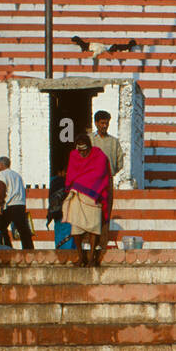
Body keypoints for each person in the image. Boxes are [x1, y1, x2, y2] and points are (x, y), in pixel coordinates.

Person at [62, 134, 112, 267]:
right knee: (76, 229)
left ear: (90, 147)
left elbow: (100, 174)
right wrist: (78, 184)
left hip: (93, 197)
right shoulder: (74, 155)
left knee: (93, 228)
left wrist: (82, 182)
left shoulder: (99, 156)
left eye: (85, 150)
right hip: (77, 196)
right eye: (80, 150)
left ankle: (90, 259)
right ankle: (81, 256)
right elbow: (71, 173)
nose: (82, 153)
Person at [90, 110, 125, 254]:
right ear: (96, 123)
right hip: (91, 181)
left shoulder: (114, 142)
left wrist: (109, 173)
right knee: (92, 211)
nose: (104, 126)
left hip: (107, 180)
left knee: (105, 211)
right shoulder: (90, 140)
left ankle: (102, 243)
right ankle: (91, 242)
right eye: (102, 123)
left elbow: (119, 162)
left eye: (106, 123)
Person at [0, 156, 34, 250]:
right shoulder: (17, 175)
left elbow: (1, 190)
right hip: (20, 204)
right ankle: (29, 249)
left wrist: (0, 205)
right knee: (23, 229)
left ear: (2, 164)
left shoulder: (1, 174)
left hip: (9, 205)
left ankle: (7, 247)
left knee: (0, 226)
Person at [45, 167, 74, 250]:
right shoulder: (63, 183)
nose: (66, 174)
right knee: (67, 239)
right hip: (66, 215)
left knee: (60, 238)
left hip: (58, 215)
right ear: (60, 172)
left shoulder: (53, 183)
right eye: (65, 172)